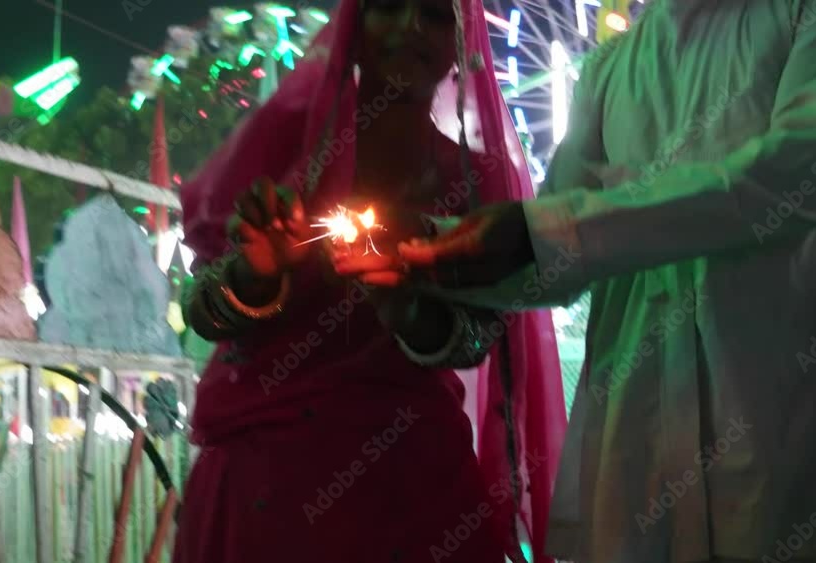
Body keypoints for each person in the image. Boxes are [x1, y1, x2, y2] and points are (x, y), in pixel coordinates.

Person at [398, 0, 816, 562]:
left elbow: (801, 177)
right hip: (638, 450)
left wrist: (544, 232)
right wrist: (425, 252)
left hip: (791, 440)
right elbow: (552, 260)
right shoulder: (611, 67)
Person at [173, 0, 566, 559]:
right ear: (352, 32)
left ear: (459, 41)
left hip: (414, 485)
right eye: (387, 8)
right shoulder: (283, 146)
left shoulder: (479, 180)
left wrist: (405, 307)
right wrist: (255, 274)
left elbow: (480, 335)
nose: (410, 29)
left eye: (432, 14)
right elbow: (200, 308)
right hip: (268, 485)